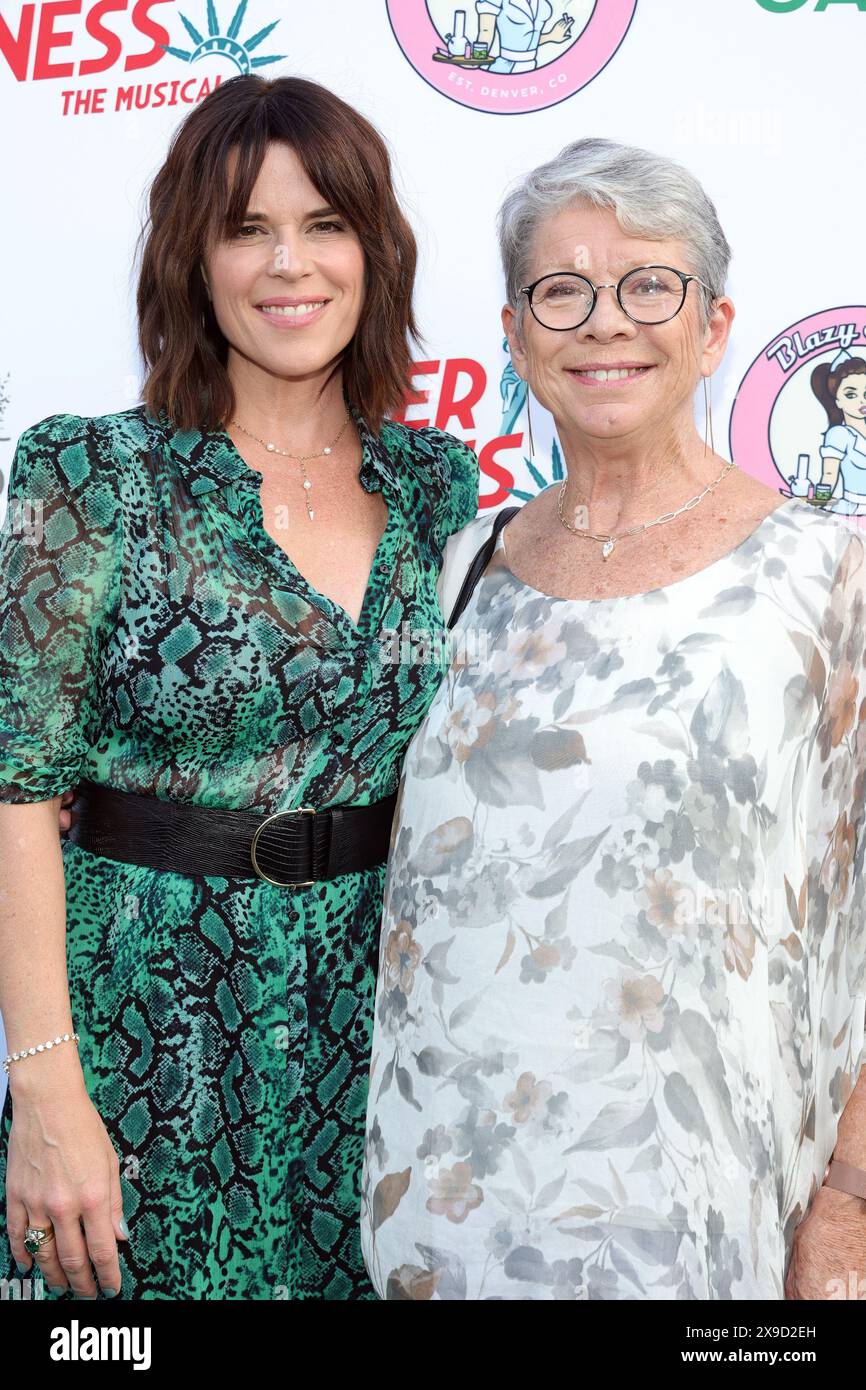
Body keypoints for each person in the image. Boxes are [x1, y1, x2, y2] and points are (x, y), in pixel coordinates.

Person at [361, 137, 866, 1300]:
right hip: (440, 1213)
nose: (604, 320)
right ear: (513, 331)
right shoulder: (457, 568)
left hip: (700, 1218)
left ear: (711, 325)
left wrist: (848, 1194)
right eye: (561, 289)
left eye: (647, 284)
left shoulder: (821, 581)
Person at [0, 74, 478, 1301]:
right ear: (191, 260)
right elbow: (17, 790)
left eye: (324, 224)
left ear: (372, 252)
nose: (288, 264)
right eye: (244, 227)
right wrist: (49, 1088)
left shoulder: (434, 486)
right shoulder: (90, 471)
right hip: (142, 1026)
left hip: (370, 1044)